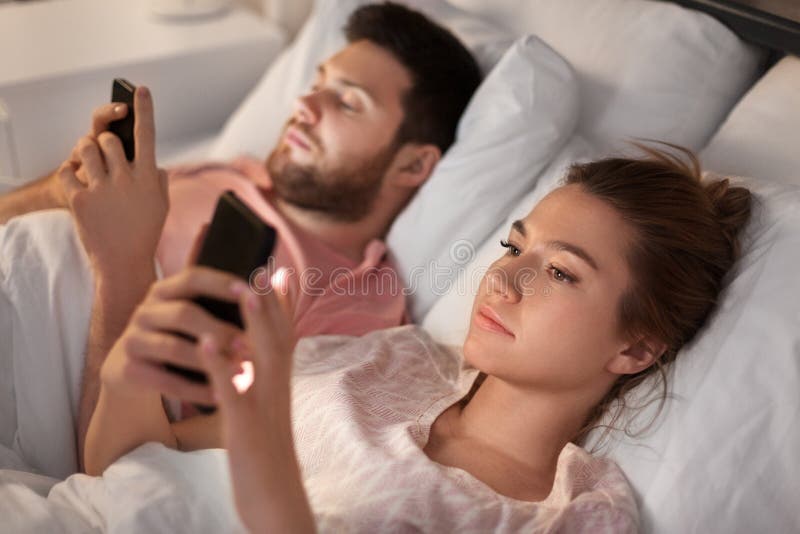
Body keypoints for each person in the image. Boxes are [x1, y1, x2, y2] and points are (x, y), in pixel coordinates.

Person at [84, 144, 752, 531]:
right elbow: (130, 471)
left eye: (558, 271)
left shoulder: (569, 518)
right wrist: (127, 374)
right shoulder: (386, 356)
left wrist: (262, 441)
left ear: (635, 349)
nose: (503, 279)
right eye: (512, 245)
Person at [0, 2, 482, 471]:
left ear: (414, 163)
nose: (305, 105)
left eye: (347, 102)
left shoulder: (357, 303)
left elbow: (134, 467)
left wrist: (123, 265)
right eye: (317, 84)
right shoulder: (230, 170)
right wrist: (65, 190)